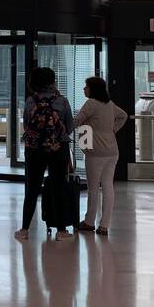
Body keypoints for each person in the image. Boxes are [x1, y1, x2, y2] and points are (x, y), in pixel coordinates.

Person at [15, 66, 74, 241]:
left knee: (31, 188)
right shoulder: (62, 101)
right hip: (58, 148)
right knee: (58, 187)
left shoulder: (30, 101)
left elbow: (27, 125)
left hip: (34, 150)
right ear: (52, 81)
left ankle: (24, 230)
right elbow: (69, 127)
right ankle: (61, 231)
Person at [73, 76, 128, 236]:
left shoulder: (91, 104)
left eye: (86, 86)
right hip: (112, 151)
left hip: (95, 152)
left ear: (93, 89)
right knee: (108, 187)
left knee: (93, 189)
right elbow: (123, 115)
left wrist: (63, 128)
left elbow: (77, 121)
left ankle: (89, 222)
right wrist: (113, 129)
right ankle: (104, 225)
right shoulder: (109, 104)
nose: (84, 89)